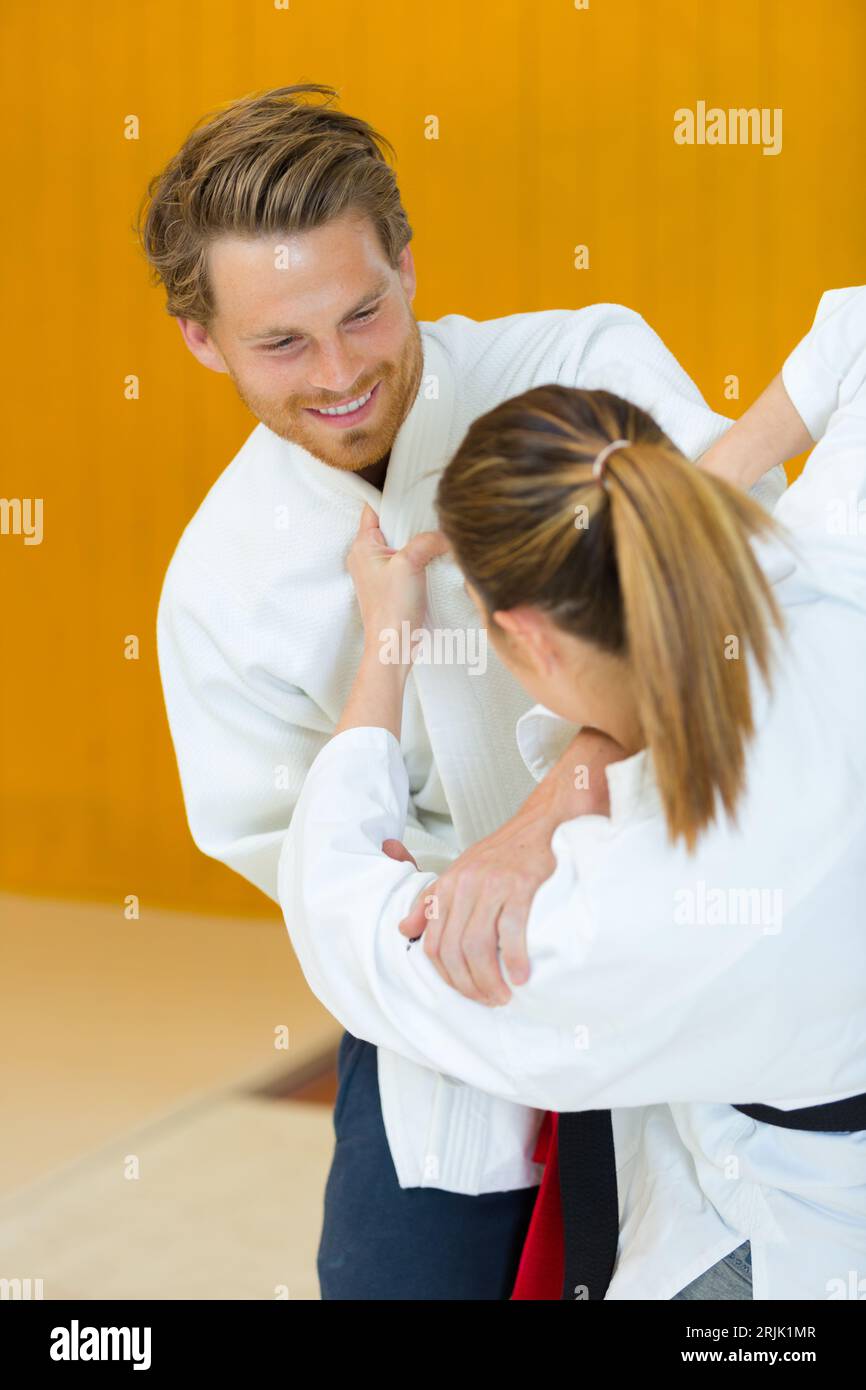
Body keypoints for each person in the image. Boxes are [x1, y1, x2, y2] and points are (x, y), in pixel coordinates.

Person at [144, 82, 784, 1300]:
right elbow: (308, 869)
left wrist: (550, 817)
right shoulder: (219, 587)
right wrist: (453, 914)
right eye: (280, 341)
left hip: (687, 930)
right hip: (436, 1000)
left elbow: (740, 628)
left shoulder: (583, 367)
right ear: (200, 337)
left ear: (408, 266)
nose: (338, 373)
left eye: (363, 313)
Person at [279, 284, 866, 1300]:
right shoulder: (834, 561)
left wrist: (387, 645)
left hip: (796, 1248)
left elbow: (343, 921)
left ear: (528, 640)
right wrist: (708, 501)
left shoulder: (618, 914)